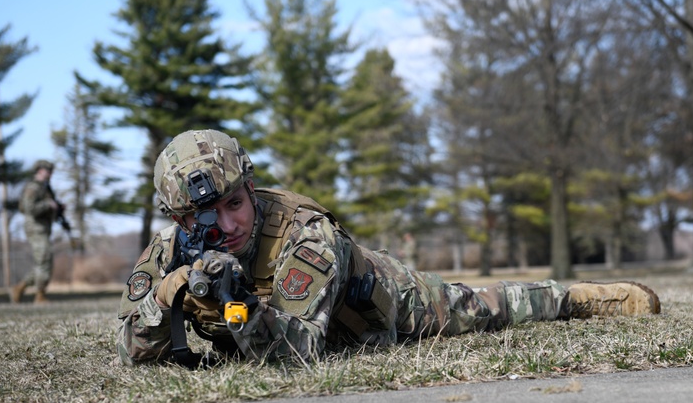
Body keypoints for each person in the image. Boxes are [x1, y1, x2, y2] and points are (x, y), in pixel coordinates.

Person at [116, 129, 661, 366]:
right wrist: (166, 299)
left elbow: (298, 355)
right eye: (202, 217)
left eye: (235, 203)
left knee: (485, 310)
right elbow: (132, 352)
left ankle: (578, 298)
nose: (227, 225)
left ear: (250, 189)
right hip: (302, 326)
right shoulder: (171, 251)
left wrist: (241, 312)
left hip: (384, 303)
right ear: (180, 218)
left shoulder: (305, 235)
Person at [11, 159, 60, 304]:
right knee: (44, 259)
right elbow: (29, 209)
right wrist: (48, 204)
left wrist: (57, 208)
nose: (50, 173)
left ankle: (20, 287)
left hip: (44, 228)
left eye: (51, 171)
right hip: (35, 228)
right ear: (39, 170)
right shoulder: (33, 187)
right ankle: (39, 295)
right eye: (48, 170)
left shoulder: (46, 188)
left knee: (44, 261)